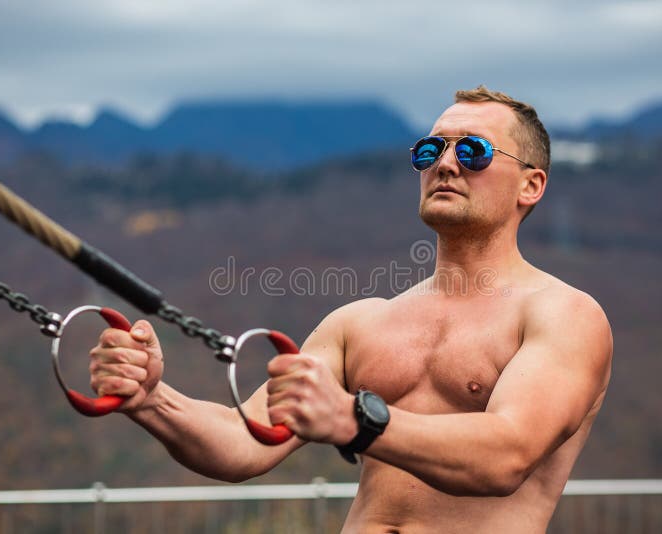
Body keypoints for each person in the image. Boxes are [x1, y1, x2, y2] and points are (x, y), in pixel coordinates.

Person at [90, 85, 613, 533]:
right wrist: (151, 399)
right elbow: (243, 443)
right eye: (431, 150)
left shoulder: (564, 315)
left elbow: (506, 456)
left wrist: (352, 418)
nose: (447, 164)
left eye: (474, 151)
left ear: (531, 185)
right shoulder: (358, 323)